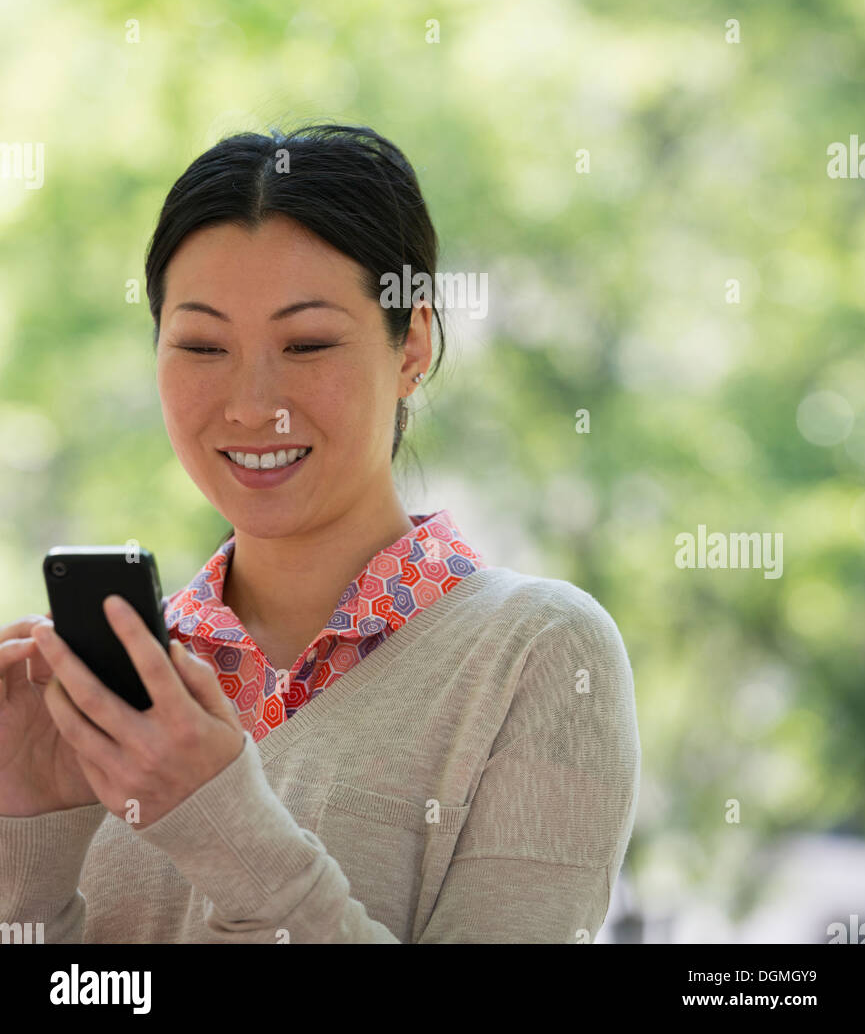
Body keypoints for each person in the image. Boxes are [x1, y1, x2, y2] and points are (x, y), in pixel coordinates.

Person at [0, 122, 640, 943]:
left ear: (412, 342)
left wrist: (221, 820)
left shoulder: (536, 654)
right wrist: (27, 840)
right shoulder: (119, 692)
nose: (250, 404)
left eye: (306, 344)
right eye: (201, 345)